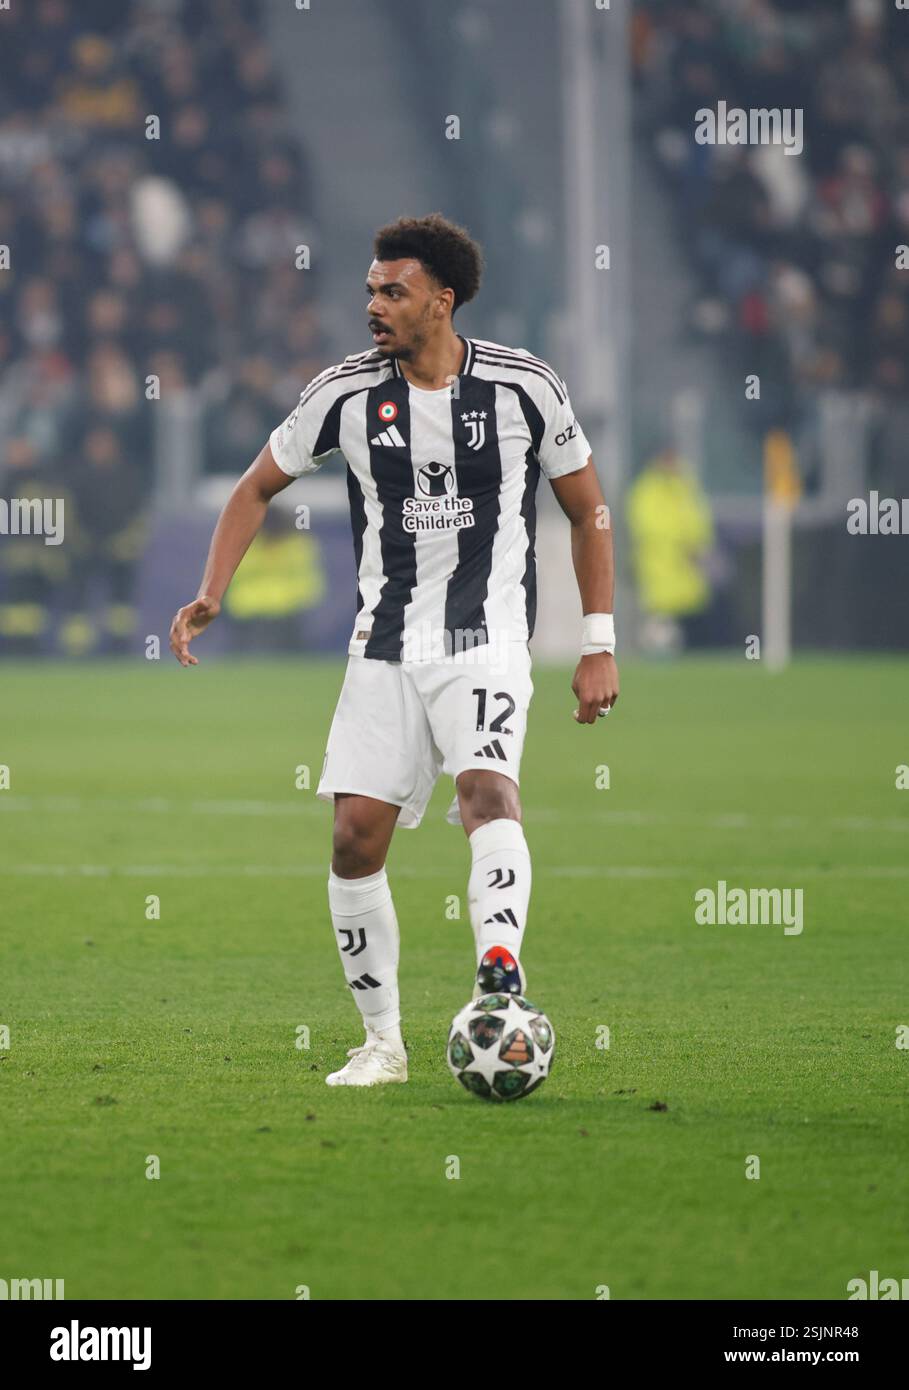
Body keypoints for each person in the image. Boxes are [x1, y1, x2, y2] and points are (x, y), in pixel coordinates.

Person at [169, 213, 619, 1086]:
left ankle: (498, 979)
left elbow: (586, 509)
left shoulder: (526, 388)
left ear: (440, 302)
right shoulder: (342, 394)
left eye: (392, 291)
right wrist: (213, 590)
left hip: (482, 639)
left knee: (488, 793)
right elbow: (256, 485)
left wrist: (597, 642)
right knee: (352, 839)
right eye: (370, 290)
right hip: (381, 646)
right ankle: (383, 1044)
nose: (372, 305)